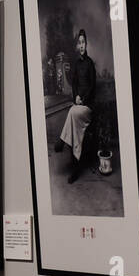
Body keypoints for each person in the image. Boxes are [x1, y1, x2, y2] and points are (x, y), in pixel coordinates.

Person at [55, 29, 95, 183]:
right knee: (73, 118)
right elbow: (74, 85)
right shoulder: (76, 64)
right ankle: (75, 168)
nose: (81, 45)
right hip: (78, 105)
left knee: (72, 112)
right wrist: (76, 96)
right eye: (79, 43)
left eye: (83, 42)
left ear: (87, 44)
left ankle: (62, 141)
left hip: (87, 107)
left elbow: (92, 87)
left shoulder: (90, 63)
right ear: (77, 46)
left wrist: (83, 99)